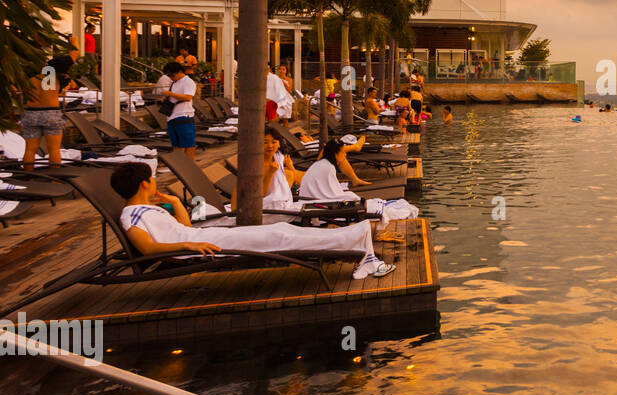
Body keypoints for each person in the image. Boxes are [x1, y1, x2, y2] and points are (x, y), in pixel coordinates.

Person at [111, 162, 394, 280]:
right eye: (151, 179)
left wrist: (173, 203)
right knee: (280, 238)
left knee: (281, 231)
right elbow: (146, 249)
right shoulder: (131, 215)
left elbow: (182, 226)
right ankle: (356, 240)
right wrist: (187, 244)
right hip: (204, 244)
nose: (154, 182)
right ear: (144, 183)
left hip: (204, 239)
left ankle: (358, 240)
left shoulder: (150, 209)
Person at [19, 46, 79, 166]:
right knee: (54, 149)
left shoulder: (27, 77)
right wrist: (74, 42)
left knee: (30, 149)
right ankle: (55, 180)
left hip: (31, 112)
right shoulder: (53, 75)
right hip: (51, 112)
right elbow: (73, 56)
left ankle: (29, 177)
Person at [157, 61, 198, 160]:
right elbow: (175, 97)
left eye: (171, 75)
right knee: (176, 145)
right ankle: (179, 166)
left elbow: (188, 97)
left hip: (184, 116)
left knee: (188, 144)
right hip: (172, 117)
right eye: (168, 75)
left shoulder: (188, 82)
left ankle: (190, 167)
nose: (170, 77)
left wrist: (170, 94)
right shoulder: (174, 83)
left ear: (179, 71)